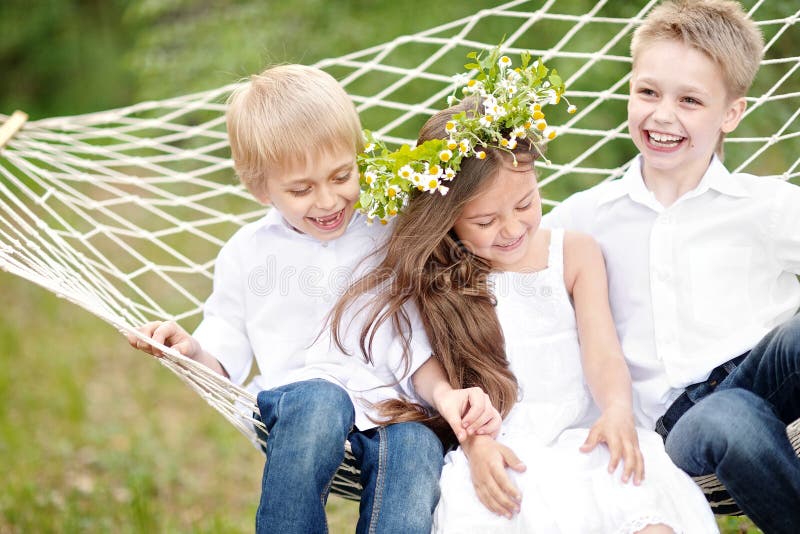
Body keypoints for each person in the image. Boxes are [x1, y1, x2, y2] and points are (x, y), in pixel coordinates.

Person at [332, 48, 718, 533]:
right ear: (449, 224)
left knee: (641, 511)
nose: (512, 229)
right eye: (486, 220)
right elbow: (452, 389)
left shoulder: (574, 254)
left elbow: (602, 353)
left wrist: (618, 410)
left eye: (526, 203)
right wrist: (476, 446)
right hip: (502, 449)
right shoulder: (446, 282)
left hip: (587, 438)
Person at [127, 64, 502, 534]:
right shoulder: (247, 254)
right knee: (322, 402)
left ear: (359, 155)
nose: (327, 201)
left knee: (418, 445)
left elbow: (411, 343)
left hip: (390, 408)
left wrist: (445, 397)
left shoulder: (390, 231)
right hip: (298, 414)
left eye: (342, 176)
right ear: (259, 186)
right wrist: (190, 350)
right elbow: (224, 349)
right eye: (301, 189)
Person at [544, 0, 800, 530]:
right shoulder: (582, 218)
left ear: (731, 114)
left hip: (762, 374)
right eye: (648, 92)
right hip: (672, 430)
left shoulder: (767, 206)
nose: (663, 114)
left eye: (689, 100)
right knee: (727, 418)